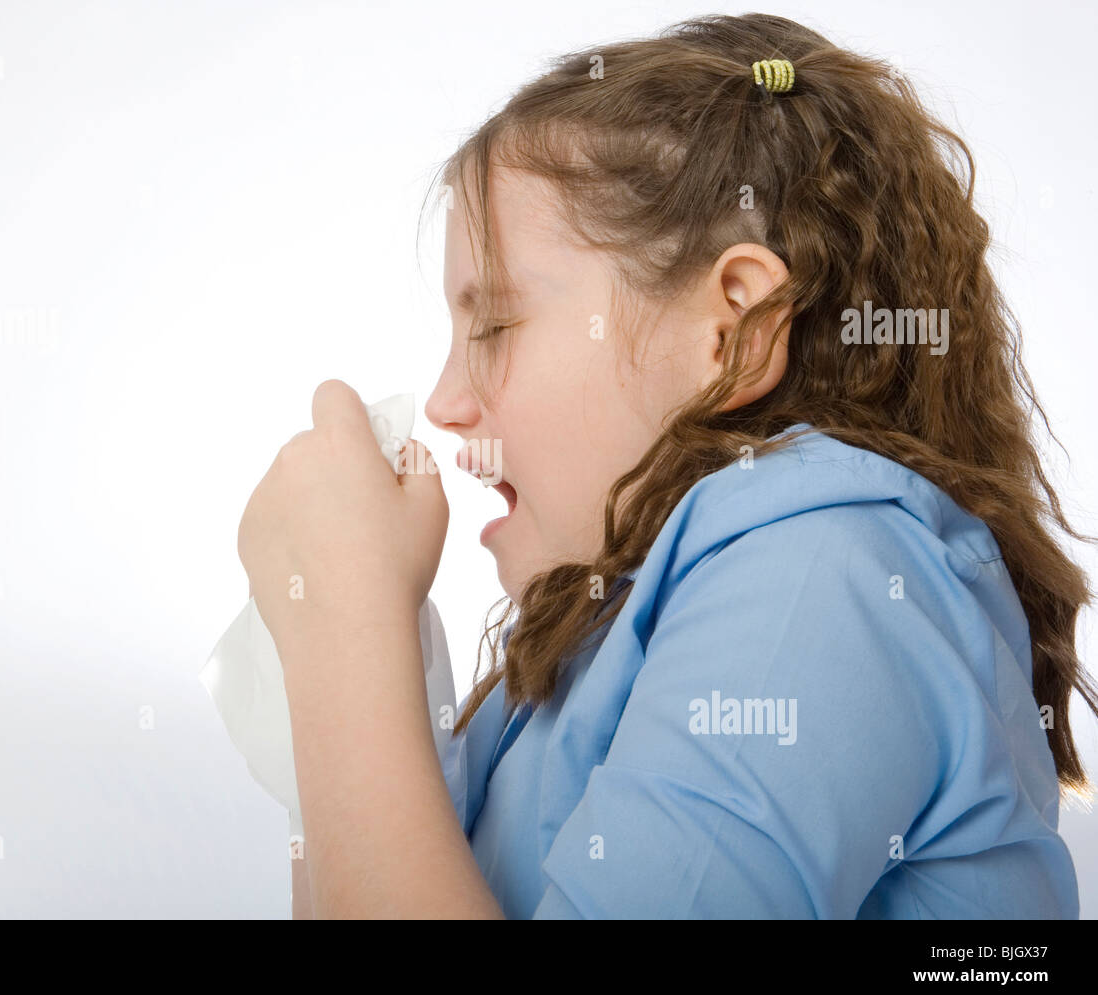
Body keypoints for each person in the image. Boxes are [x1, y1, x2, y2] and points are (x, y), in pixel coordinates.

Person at [239, 13, 1092, 918]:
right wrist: (351, 685)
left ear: (731, 331)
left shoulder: (824, 573)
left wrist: (349, 640)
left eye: (493, 326)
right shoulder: (586, 658)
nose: (447, 401)